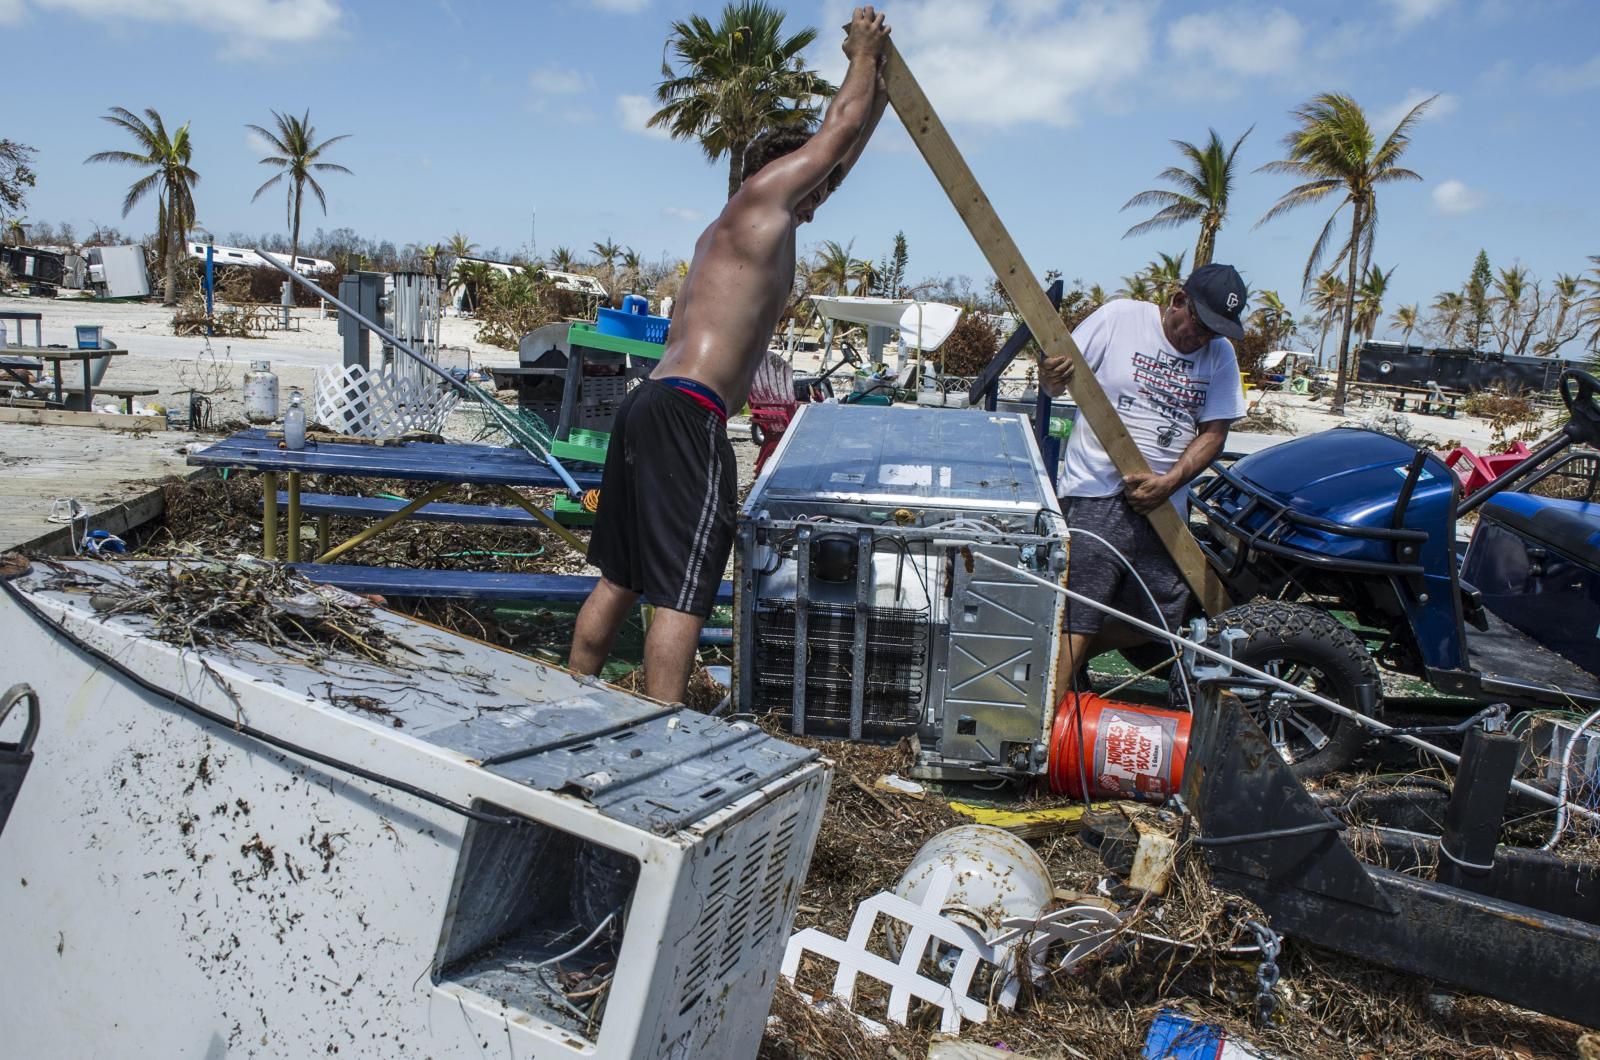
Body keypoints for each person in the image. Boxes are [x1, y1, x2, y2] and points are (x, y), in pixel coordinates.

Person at [568, 7, 892, 704]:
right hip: (688, 413)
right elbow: (834, 136)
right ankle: (660, 729)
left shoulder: (745, 228)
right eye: (813, 179)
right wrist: (861, 55)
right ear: (782, 171)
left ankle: (571, 696)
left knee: (622, 576)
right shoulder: (762, 199)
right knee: (685, 589)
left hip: (651, 405)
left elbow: (840, 152)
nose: (821, 194)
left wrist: (883, 95)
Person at [1040, 263, 1249, 693]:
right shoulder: (1120, 319)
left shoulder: (1220, 354)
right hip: (1098, 491)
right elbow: (1054, 383)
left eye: (1214, 330)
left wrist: (1170, 482)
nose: (1202, 337)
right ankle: (1048, 727)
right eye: (1199, 323)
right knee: (1081, 609)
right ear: (1177, 301)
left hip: (1164, 506)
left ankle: (1060, 670)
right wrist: (1048, 375)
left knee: (1158, 618)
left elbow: (1214, 434)